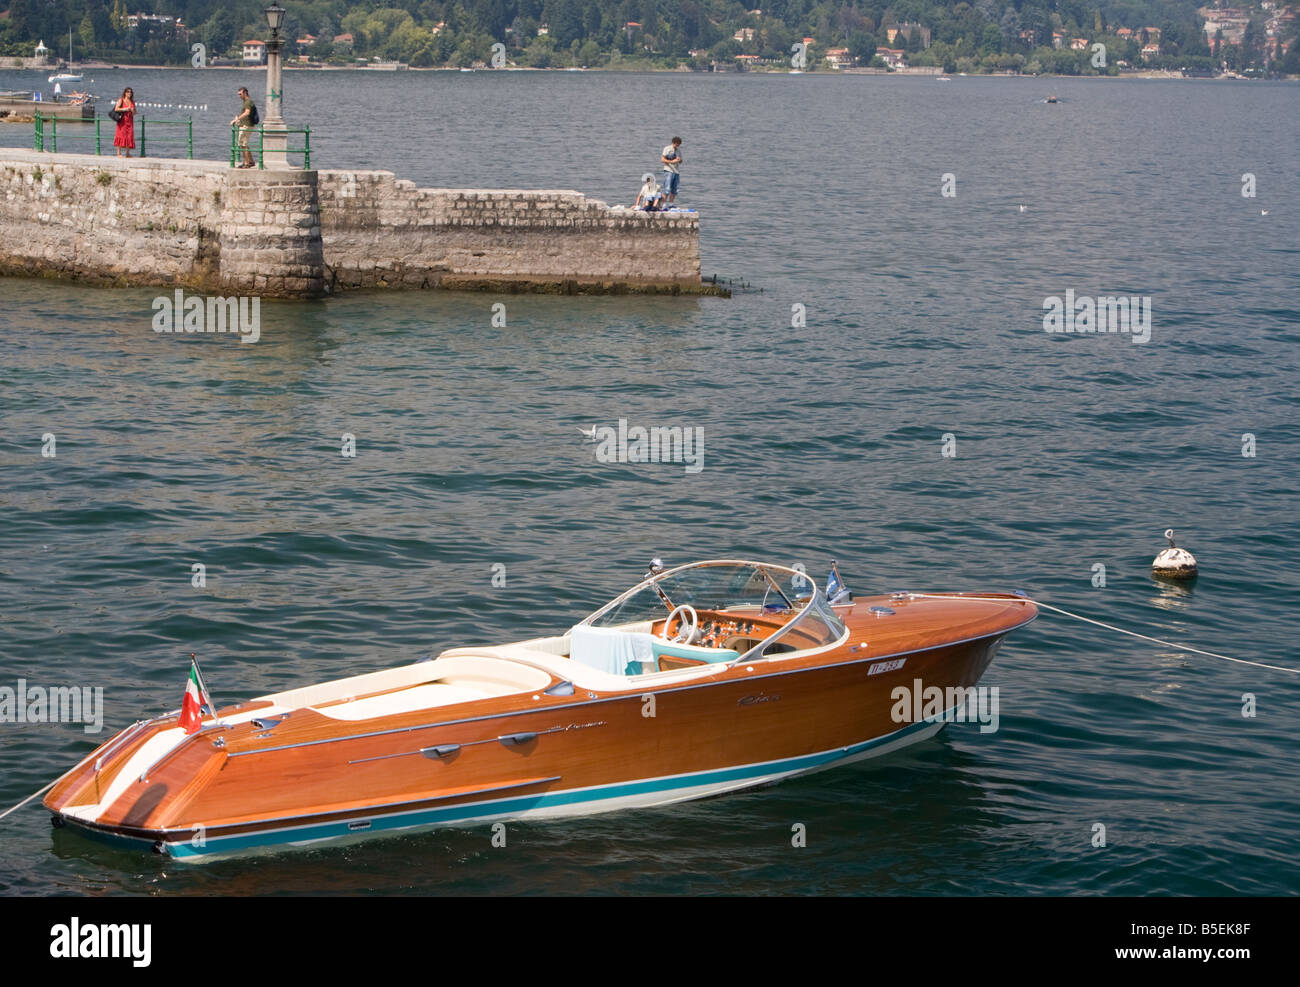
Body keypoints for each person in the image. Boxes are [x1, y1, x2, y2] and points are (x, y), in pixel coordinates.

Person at [230, 87, 256, 169]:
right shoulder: (247, 102)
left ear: (245, 93)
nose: (239, 96)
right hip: (246, 125)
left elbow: (247, 112)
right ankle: (251, 161)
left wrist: (237, 119)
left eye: (240, 94)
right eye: (238, 94)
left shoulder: (248, 102)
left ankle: (246, 163)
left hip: (246, 125)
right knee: (244, 144)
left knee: (243, 144)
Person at [112, 87, 135, 158]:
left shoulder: (132, 102)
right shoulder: (121, 100)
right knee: (120, 135)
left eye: (130, 92)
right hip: (122, 121)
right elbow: (116, 108)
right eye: (128, 92)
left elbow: (135, 113)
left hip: (130, 121)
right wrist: (125, 109)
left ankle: (127, 153)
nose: (129, 93)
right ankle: (119, 153)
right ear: (125, 93)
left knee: (129, 135)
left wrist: (132, 110)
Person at [660, 136, 683, 205]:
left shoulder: (679, 150)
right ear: (673, 143)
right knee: (666, 188)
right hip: (668, 170)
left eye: (679, 144)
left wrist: (679, 160)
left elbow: (681, 161)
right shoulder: (667, 149)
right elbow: (662, 159)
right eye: (677, 144)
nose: (677, 146)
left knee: (675, 189)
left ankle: (671, 204)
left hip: (676, 171)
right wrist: (671, 162)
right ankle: (663, 204)